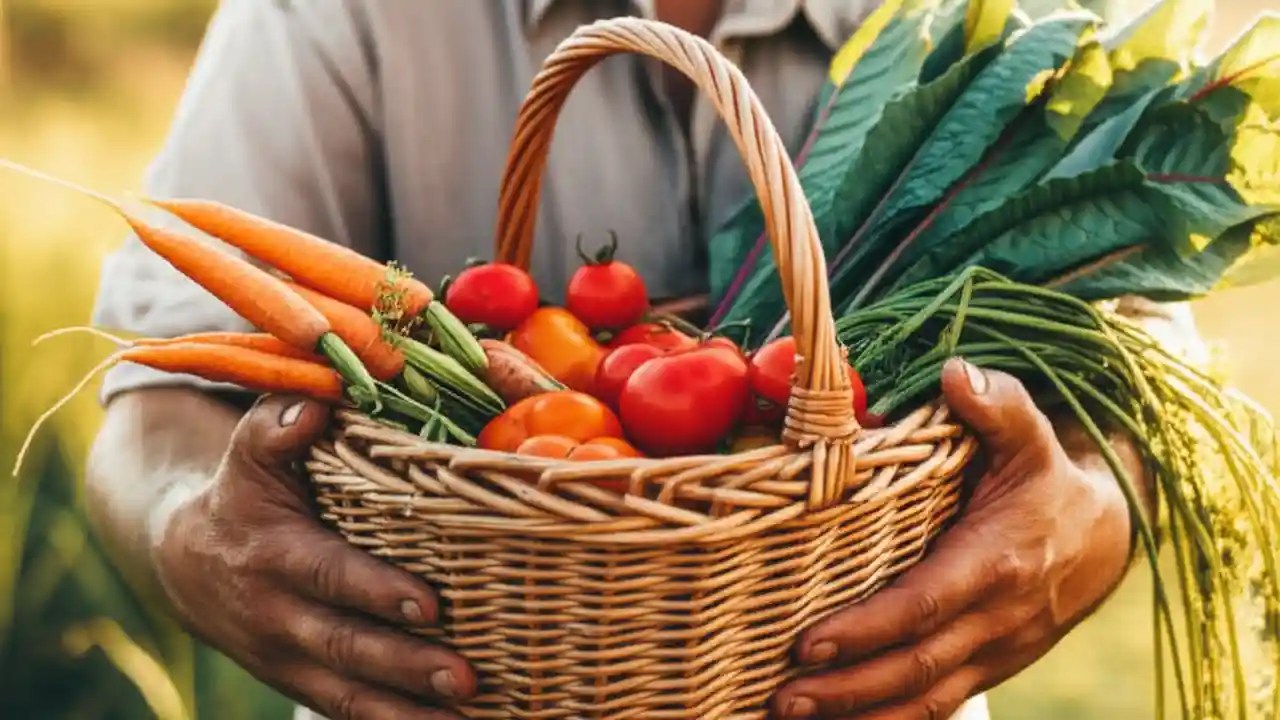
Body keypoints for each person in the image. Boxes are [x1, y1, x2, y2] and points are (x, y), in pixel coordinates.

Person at [88, 1, 1178, 718]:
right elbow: (152, 397)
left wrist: (1096, 505)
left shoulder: (965, 10)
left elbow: (1132, 352)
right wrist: (189, 525)